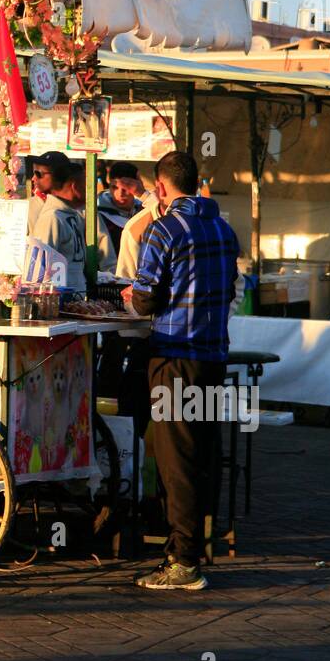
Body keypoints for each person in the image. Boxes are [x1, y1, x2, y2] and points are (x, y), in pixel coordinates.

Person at [124, 151, 239, 593]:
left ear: (161, 188)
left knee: (176, 463)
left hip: (176, 357)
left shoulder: (164, 229)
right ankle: (190, 549)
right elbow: (228, 289)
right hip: (212, 357)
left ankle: (183, 562)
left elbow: (148, 299)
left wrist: (133, 295)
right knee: (200, 455)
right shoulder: (223, 229)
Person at [34, 161, 87, 292]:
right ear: (75, 186)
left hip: (76, 300)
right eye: (86, 185)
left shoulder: (74, 215)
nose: (89, 191)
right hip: (58, 304)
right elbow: (40, 268)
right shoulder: (52, 217)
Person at [97, 162, 145, 273]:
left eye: (126, 188)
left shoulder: (144, 210)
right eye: (114, 187)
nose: (120, 193)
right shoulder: (98, 214)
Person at [27, 151, 71, 237]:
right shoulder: (28, 207)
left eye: (38, 174)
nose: (33, 178)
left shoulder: (78, 207)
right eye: (33, 173)